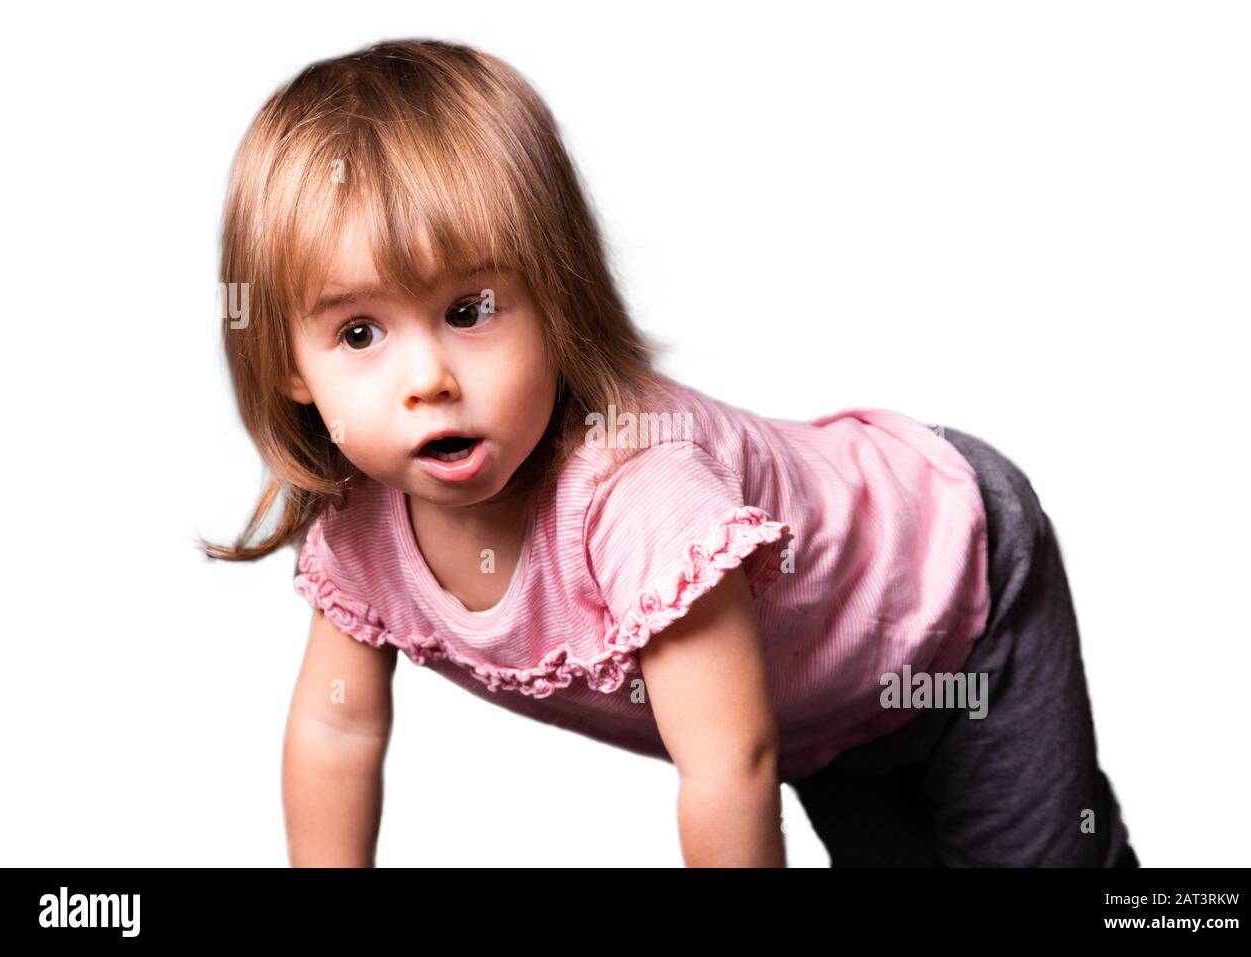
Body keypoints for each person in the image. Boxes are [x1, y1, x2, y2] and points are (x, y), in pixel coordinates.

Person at [201, 38, 1137, 868]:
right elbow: (336, 724)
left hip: (955, 587)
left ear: (557, 299)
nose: (428, 378)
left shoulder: (635, 495)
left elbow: (730, 765)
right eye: (360, 334)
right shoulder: (363, 535)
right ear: (289, 364)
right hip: (834, 704)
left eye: (469, 310)